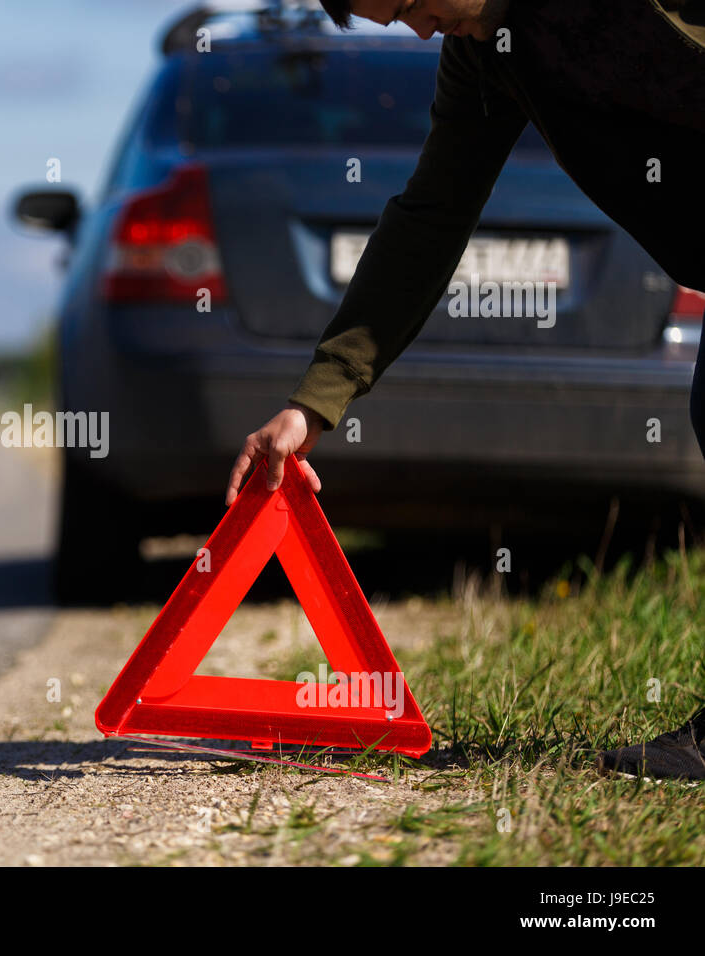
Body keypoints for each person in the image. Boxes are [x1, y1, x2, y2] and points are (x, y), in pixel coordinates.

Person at [224, 0, 705, 780]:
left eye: (413, 6)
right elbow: (431, 218)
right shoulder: (487, 56)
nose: (419, 31)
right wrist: (313, 404)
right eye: (397, 23)